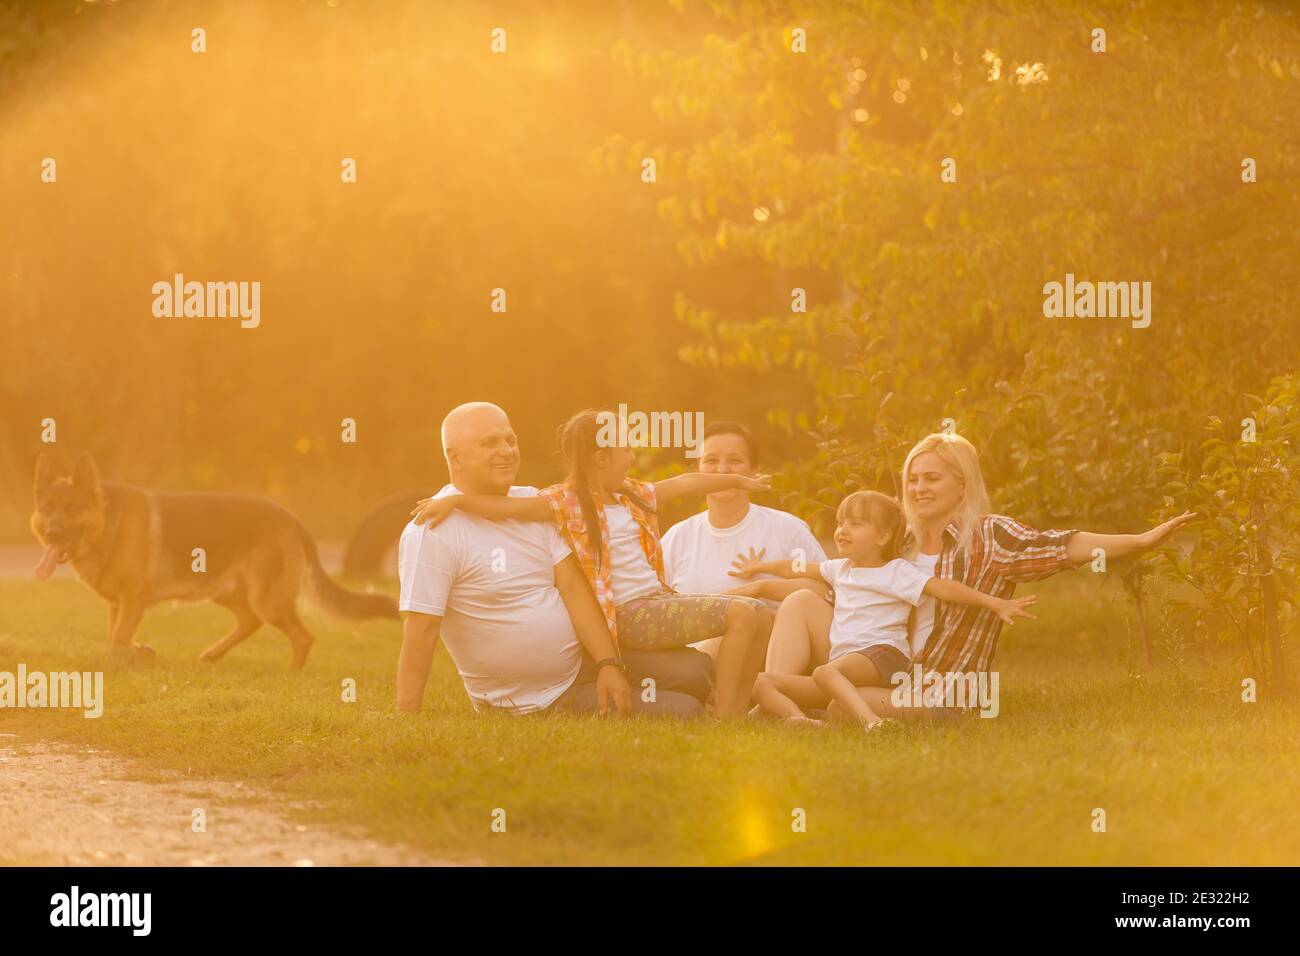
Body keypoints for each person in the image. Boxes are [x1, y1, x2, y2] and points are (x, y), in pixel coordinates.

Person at [762, 432, 1197, 721]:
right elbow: (857, 591)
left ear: (962, 485)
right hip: (878, 662)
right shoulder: (902, 541)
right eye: (913, 479)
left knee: (841, 709)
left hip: (938, 686)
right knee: (802, 601)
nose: (919, 489)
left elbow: (1065, 545)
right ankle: (777, 709)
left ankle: (791, 705)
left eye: (932, 478)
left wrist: (1139, 541)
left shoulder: (989, 535)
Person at [410, 408, 774, 717]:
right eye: (625, 449)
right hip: (630, 614)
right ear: (601, 458)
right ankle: (730, 721)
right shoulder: (565, 504)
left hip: (657, 603)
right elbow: (506, 508)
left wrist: (744, 481)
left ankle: (738, 706)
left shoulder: (631, 494)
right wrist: (456, 502)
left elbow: (686, 482)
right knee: (741, 614)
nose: (631, 457)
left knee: (761, 613)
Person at [733, 490, 1035, 728]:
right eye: (840, 523)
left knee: (825, 673)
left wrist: (994, 602)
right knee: (760, 682)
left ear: (882, 536)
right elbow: (795, 568)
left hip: (884, 657)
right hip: (842, 667)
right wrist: (760, 568)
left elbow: (942, 588)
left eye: (855, 524)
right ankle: (799, 720)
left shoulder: (895, 572)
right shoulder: (840, 569)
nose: (842, 530)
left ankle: (873, 723)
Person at [661, 421, 828, 660]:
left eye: (735, 460)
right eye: (710, 460)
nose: (722, 470)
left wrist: (763, 590)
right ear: (695, 471)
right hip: (692, 663)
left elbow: (825, 591)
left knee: (749, 618)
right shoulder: (676, 538)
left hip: (772, 659)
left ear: (753, 469)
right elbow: (654, 608)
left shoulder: (787, 529)